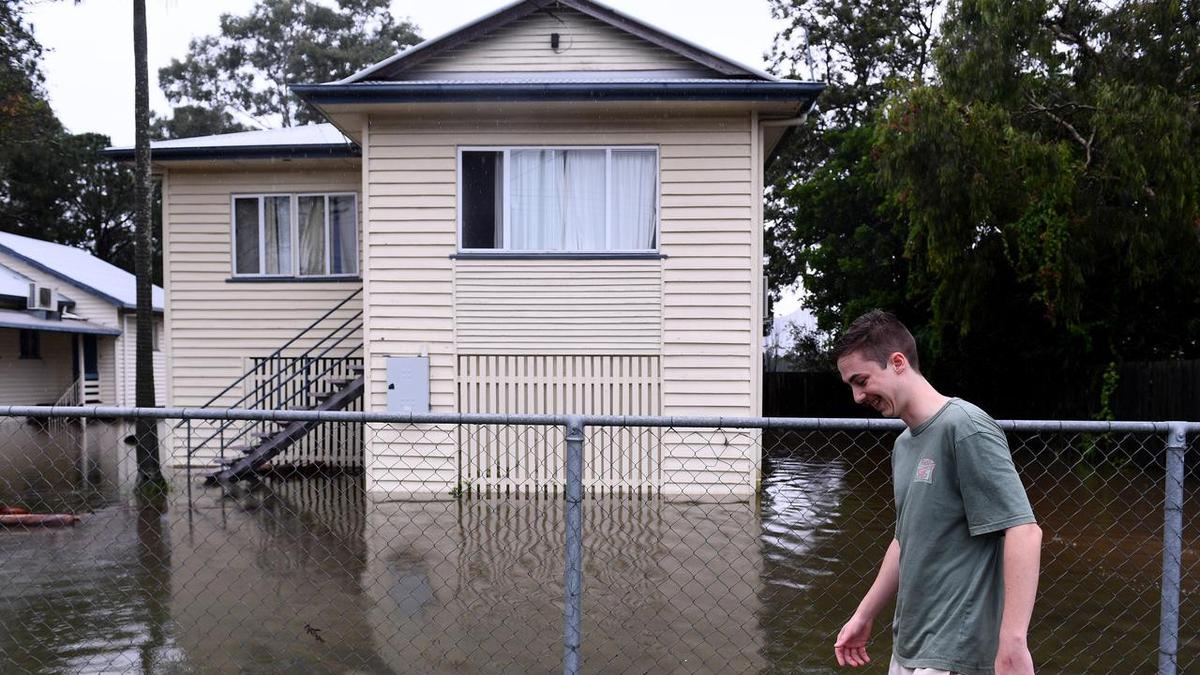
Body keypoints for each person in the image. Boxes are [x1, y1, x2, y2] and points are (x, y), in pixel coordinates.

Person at [831, 310, 1041, 675]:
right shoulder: (904, 445)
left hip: (955, 653)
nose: (857, 396)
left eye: (861, 381)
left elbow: (1023, 531)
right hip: (910, 647)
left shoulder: (965, 427)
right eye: (851, 384)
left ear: (898, 362)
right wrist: (863, 615)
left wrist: (1012, 644)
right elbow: (905, 539)